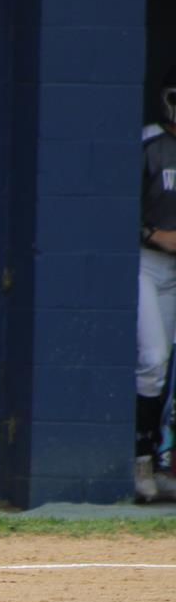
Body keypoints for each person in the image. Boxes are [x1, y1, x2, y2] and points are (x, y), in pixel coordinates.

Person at [135, 65, 176, 504]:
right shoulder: (148, 142)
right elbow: (114, 205)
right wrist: (154, 235)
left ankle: (162, 459)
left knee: (168, 370)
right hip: (147, 265)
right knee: (153, 358)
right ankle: (141, 460)